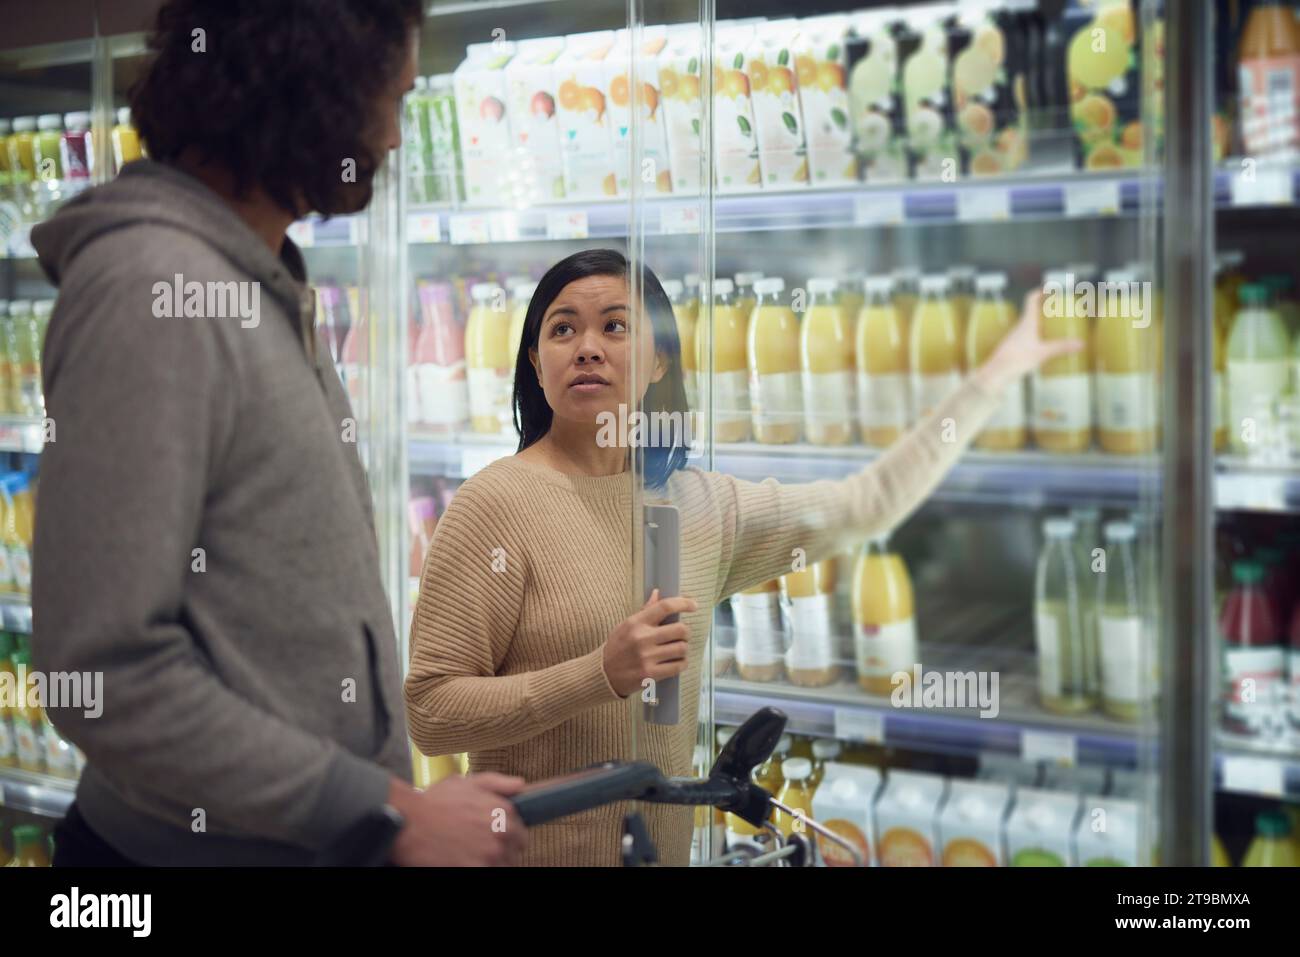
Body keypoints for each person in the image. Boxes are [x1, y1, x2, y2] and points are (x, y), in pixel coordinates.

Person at [32, 0, 525, 867]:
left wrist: (391, 806)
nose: (397, 139)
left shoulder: (249, 276)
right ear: (315, 90)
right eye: (393, 100)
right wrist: (388, 810)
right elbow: (103, 675)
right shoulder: (154, 291)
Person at [404, 248, 1077, 866]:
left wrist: (998, 373)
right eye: (562, 329)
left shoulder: (698, 505)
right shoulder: (492, 505)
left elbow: (865, 503)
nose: (587, 348)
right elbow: (431, 713)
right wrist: (596, 673)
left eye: (615, 327)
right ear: (533, 361)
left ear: (660, 360)